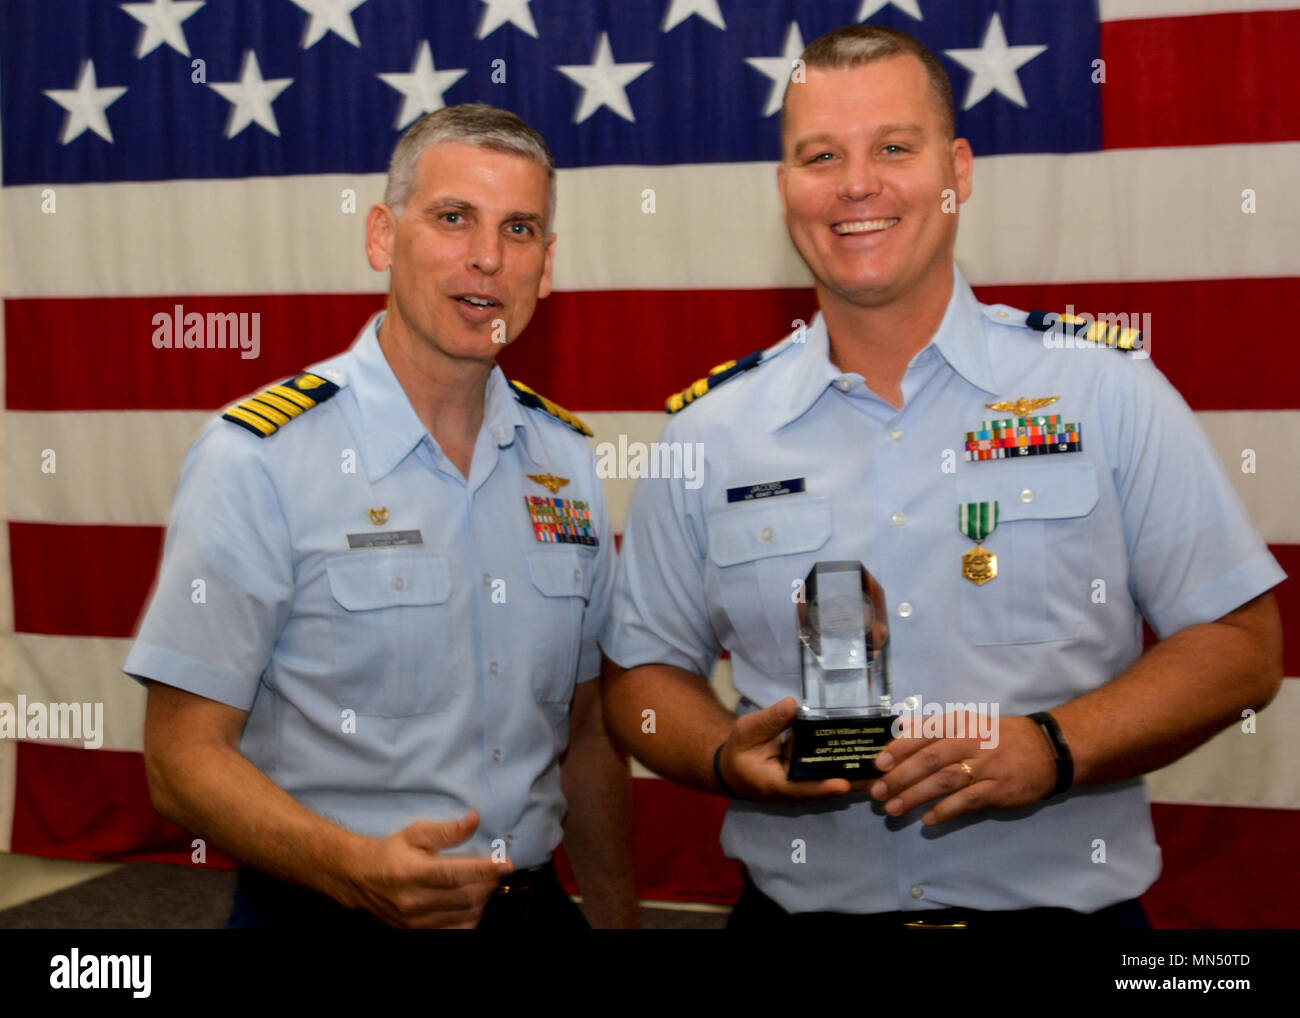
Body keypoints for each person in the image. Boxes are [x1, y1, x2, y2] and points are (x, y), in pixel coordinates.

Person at [601, 26, 1284, 928]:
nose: (856, 184)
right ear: (784, 185)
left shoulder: (1103, 390)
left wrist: (1053, 748)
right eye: (821, 156)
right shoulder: (710, 433)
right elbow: (641, 674)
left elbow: (1239, 643)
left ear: (957, 170)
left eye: (894, 147)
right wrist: (725, 756)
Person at [126, 104, 637, 930]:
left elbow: (585, 732)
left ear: (546, 267)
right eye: (453, 218)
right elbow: (180, 759)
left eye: (518, 229)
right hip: (324, 906)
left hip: (531, 905)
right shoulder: (260, 458)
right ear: (381, 237)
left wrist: (615, 914)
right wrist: (352, 869)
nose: (486, 257)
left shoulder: (567, 460)